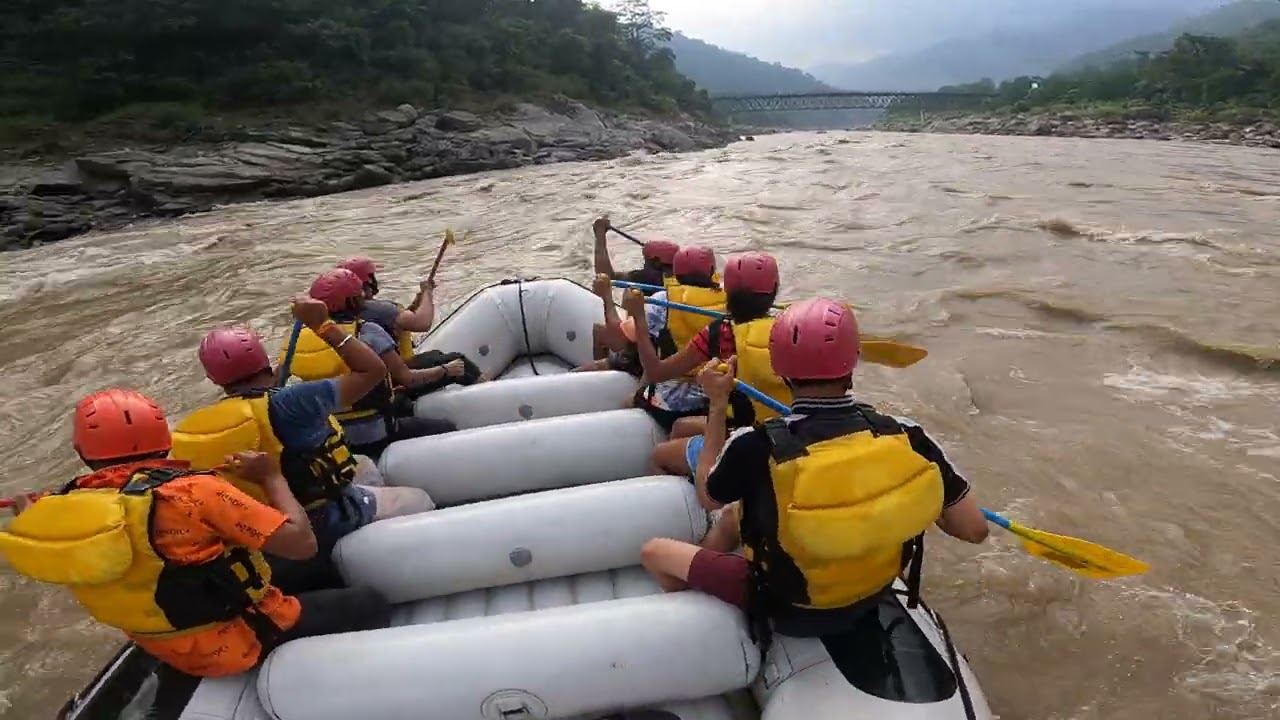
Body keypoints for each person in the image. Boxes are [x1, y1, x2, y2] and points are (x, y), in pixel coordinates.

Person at [0, 389, 391, 719]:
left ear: (80, 451)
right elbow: (302, 544)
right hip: (243, 642)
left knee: (280, 572)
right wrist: (270, 476)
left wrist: (36, 513)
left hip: (162, 643)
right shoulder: (194, 491)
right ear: (165, 439)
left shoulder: (50, 515)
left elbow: (52, 518)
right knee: (369, 599)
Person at [639, 298, 989, 644]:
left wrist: (717, 404)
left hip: (787, 608)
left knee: (654, 551)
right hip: (875, 592)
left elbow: (707, 495)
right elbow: (974, 529)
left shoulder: (755, 445)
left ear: (778, 368)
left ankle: (706, 624)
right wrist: (920, 498)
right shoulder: (907, 435)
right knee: (734, 516)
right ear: (853, 363)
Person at [173, 297, 432, 592]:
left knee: (364, 465)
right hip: (328, 517)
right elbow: (373, 370)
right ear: (264, 361)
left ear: (213, 379)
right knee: (420, 499)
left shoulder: (191, 429)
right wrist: (323, 325)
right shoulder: (294, 402)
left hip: (272, 530)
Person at [621, 251, 785, 475]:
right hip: (785, 434)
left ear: (727, 289)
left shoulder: (719, 333)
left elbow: (656, 373)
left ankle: (699, 492)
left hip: (742, 437)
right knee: (681, 427)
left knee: (659, 456)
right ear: (774, 290)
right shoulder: (789, 333)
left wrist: (639, 319)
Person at [298, 268, 458, 460]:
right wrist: (446, 370)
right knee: (448, 427)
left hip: (332, 436)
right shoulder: (367, 331)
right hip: (377, 433)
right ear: (353, 301)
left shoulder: (300, 338)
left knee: (402, 403)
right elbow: (407, 378)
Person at [337, 256, 487, 397]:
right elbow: (422, 323)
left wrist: (417, 303)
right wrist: (427, 293)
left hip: (378, 378)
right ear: (368, 280)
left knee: (435, 355)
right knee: (459, 361)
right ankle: (490, 392)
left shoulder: (343, 313)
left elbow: (396, 321)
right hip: (397, 377)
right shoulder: (376, 309)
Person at [590, 216, 680, 361]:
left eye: (646, 261)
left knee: (598, 330)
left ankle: (606, 368)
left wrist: (600, 236)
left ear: (656, 262)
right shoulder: (683, 279)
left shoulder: (647, 277)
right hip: (670, 344)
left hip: (643, 345)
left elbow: (606, 276)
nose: (644, 264)